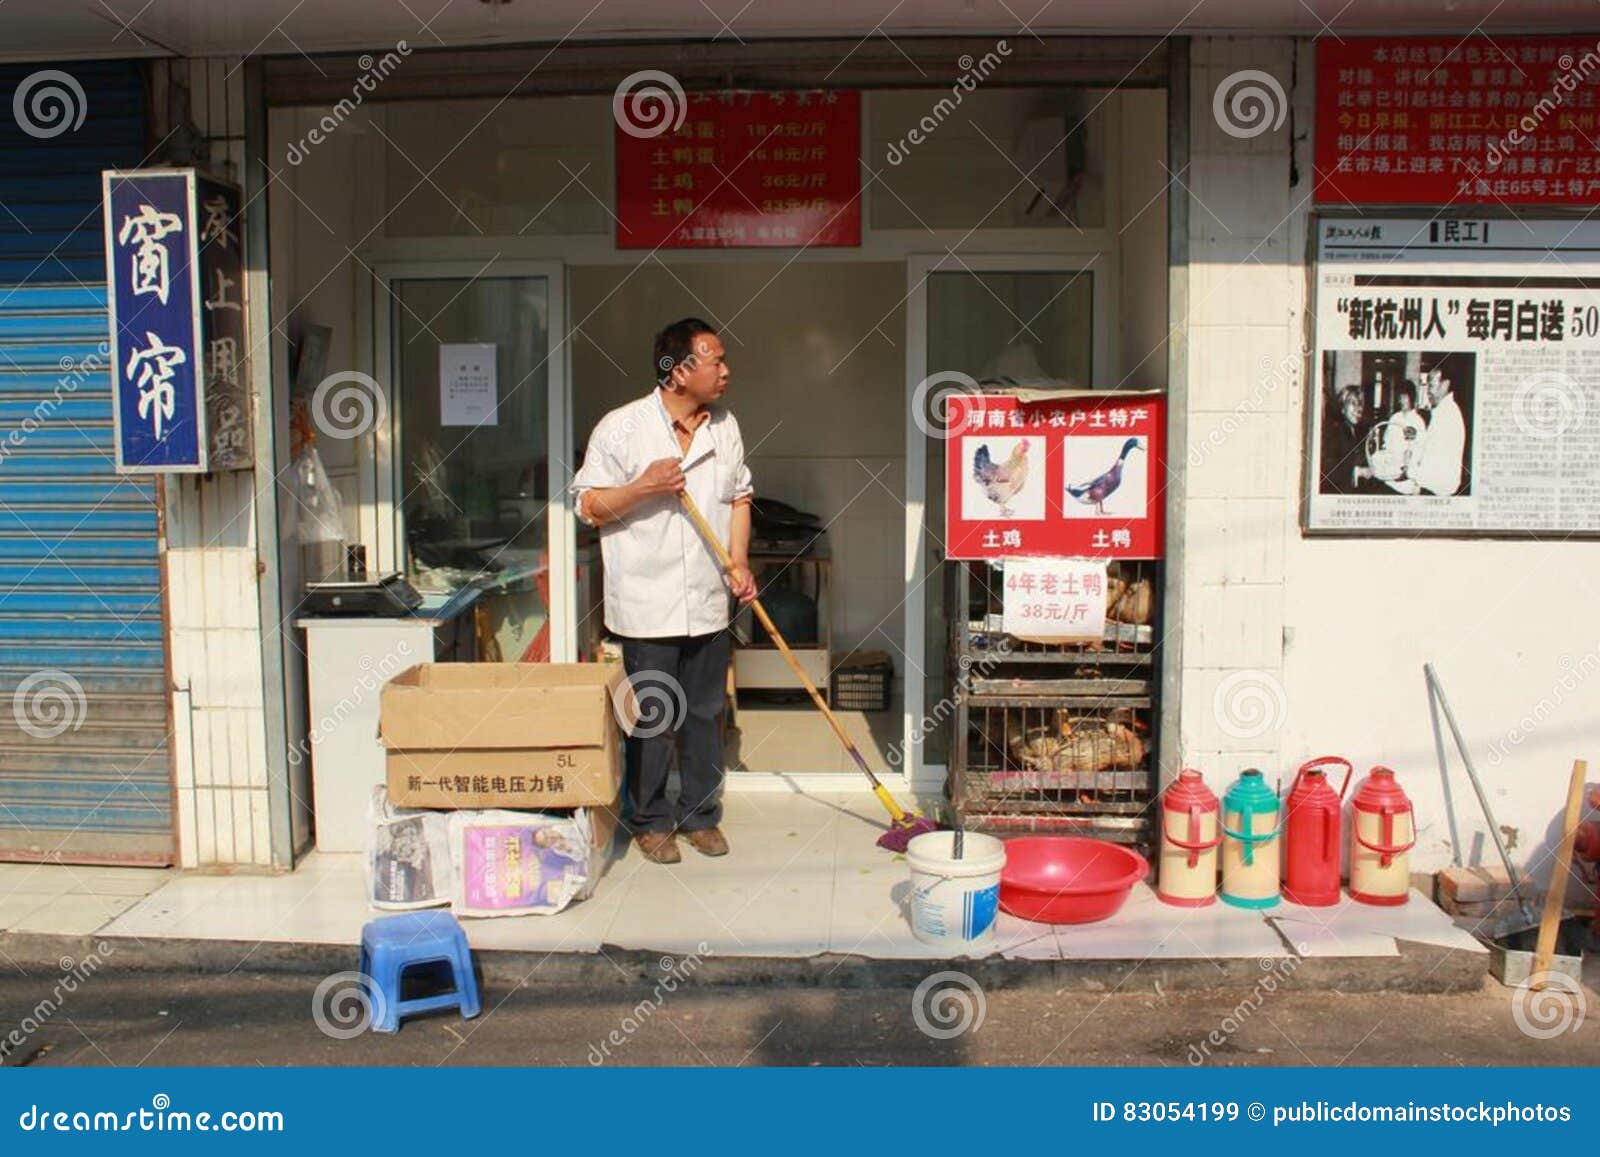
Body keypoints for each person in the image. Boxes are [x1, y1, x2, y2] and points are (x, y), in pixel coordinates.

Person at [570, 318, 758, 865]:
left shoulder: (724, 426)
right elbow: (587, 507)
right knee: (654, 717)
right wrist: (643, 487)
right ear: (678, 371)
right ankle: (650, 820)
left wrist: (739, 560)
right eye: (714, 360)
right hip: (646, 604)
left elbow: (739, 498)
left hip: (707, 595)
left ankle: (701, 815)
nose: (726, 370)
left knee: (704, 711)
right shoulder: (621, 428)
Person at [1385, 355, 1466, 496]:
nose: (1427, 391)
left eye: (1431, 385)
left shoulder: (1448, 417)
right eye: (1427, 385)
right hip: (1424, 484)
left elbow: (1441, 472)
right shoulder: (1441, 413)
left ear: (1445, 385)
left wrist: (1411, 471)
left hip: (1435, 491)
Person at [1319, 384, 1367, 494]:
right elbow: (1328, 471)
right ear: (1342, 407)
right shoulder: (1334, 432)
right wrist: (1357, 472)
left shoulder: (1353, 430)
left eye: (1360, 404)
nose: (1359, 409)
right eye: (1353, 404)